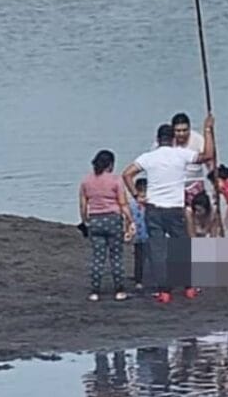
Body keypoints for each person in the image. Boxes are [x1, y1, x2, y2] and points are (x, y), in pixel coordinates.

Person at [122, 115, 216, 304]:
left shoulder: (148, 157)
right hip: (174, 209)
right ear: (173, 138)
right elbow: (207, 156)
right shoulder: (180, 154)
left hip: (154, 209)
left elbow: (126, 174)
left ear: (157, 140)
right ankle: (188, 286)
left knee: (158, 250)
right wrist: (208, 130)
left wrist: (136, 195)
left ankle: (164, 290)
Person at [80, 150, 135, 301]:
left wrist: (85, 221)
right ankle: (119, 291)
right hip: (113, 219)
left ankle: (95, 291)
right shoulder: (116, 180)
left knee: (98, 257)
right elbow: (123, 203)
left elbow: (83, 204)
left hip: (95, 220)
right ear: (110, 164)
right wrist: (130, 220)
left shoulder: (86, 181)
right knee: (116, 256)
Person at [131, 178, 150, 290]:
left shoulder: (133, 203)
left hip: (145, 234)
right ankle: (139, 279)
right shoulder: (134, 203)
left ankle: (140, 280)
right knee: (140, 258)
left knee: (142, 258)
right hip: (141, 234)